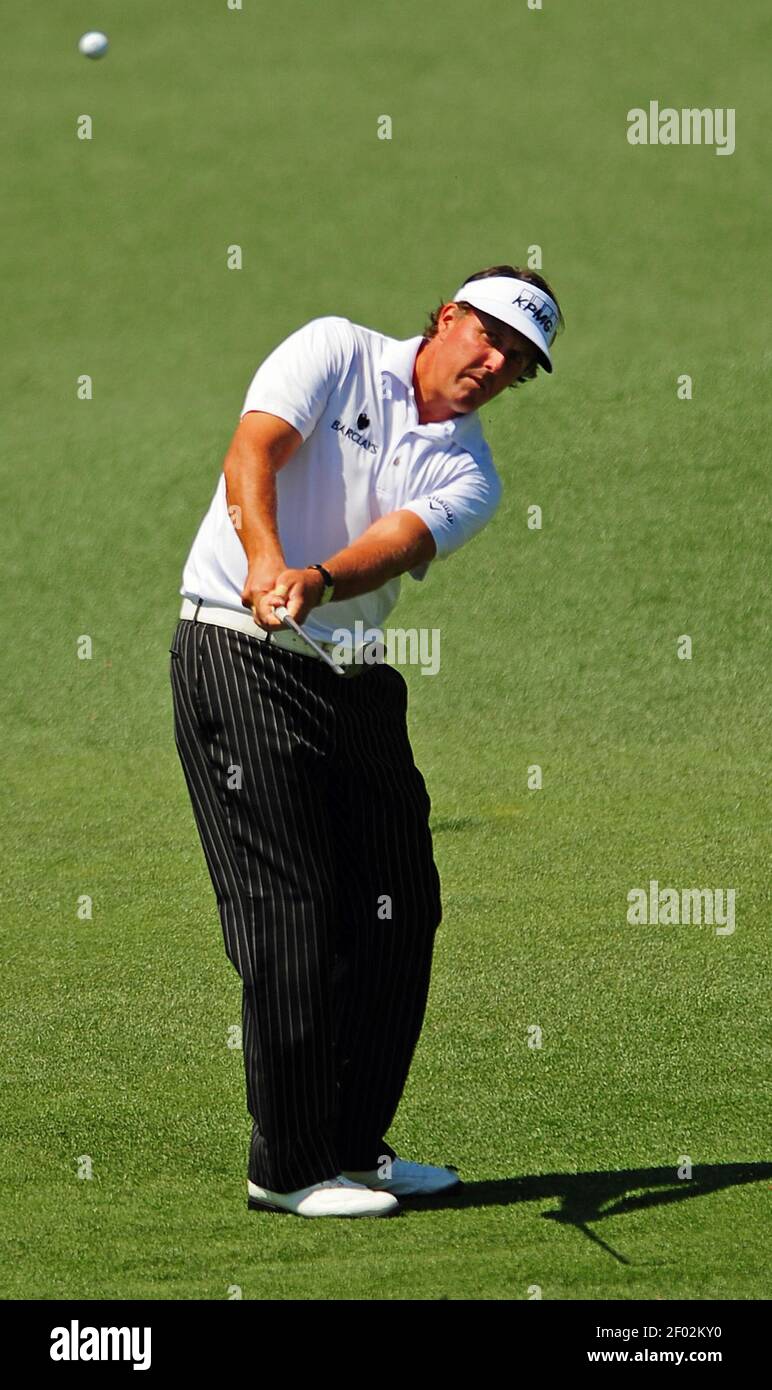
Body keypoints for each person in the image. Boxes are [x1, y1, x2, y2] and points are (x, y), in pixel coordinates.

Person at [169, 265, 564, 1218]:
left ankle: (352, 1145)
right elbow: (252, 453)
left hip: (350, 675)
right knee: (290, 911)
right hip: (235, 645)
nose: (494, 363)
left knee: (400, 907)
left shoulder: (473, 474)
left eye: (516, 361)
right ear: (447, 317)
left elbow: (397, 542)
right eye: (489, 336)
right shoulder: (334, 349)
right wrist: (266, 562)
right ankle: (289, 1166)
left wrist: (315, 579)